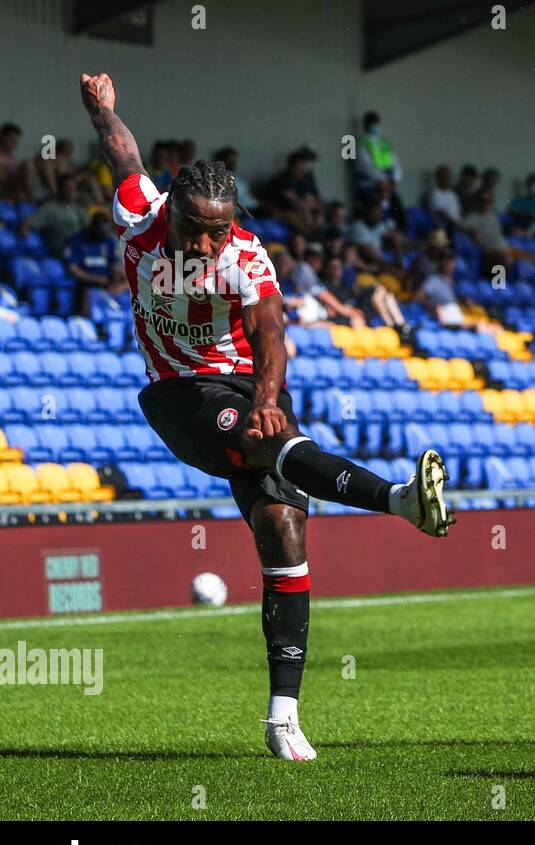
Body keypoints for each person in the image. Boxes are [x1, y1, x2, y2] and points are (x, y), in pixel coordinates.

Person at [80, 71, 454, 763]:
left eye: (220, 230)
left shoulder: (247, 256)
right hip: (178, 396)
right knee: (271, 449)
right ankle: (399, 500)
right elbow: (123, 155)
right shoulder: (141, 216)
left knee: (284, 529)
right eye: (197, 229)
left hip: (246, 387)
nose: (209, 244)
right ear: (175, 214)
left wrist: (266, 400)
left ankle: (283, 717)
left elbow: (273, 336)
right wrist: (104, 109)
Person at [64, 212, 127, 315]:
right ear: (93, 227)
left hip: (106, 283)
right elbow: (73, 269)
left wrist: (117, 282)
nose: (103, 232)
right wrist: (95, 279)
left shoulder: (108, 241)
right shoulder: (78, 240)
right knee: (88, 294)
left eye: (105, 230)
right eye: (100, 229)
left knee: (129, 284)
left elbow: (115, 265)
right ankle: (92, 323)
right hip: (86, 284)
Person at [21, 172, 88, 255]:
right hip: (60, 253)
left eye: (74, 189)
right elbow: (29, 222)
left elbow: (88, 227)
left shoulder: (78, 208)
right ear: (60, 190)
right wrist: (25, 228)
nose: (72, 192)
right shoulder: (50, 208)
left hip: (78, 251)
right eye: (69, 189)